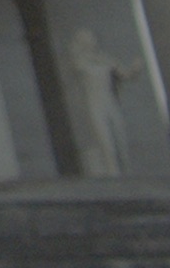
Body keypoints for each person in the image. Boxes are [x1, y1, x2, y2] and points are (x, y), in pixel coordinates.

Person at [62, 26, 147, 178]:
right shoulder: (79, 61)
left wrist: (135, 69)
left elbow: (125, 74)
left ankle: (124, 173)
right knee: (104, 140)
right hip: (94, 103)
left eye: (92, 37)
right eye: (86, 37)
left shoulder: (105, 59)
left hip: (109, 102)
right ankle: (112, 173)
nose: (91, 40)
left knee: (119, 138)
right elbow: (73, 72)